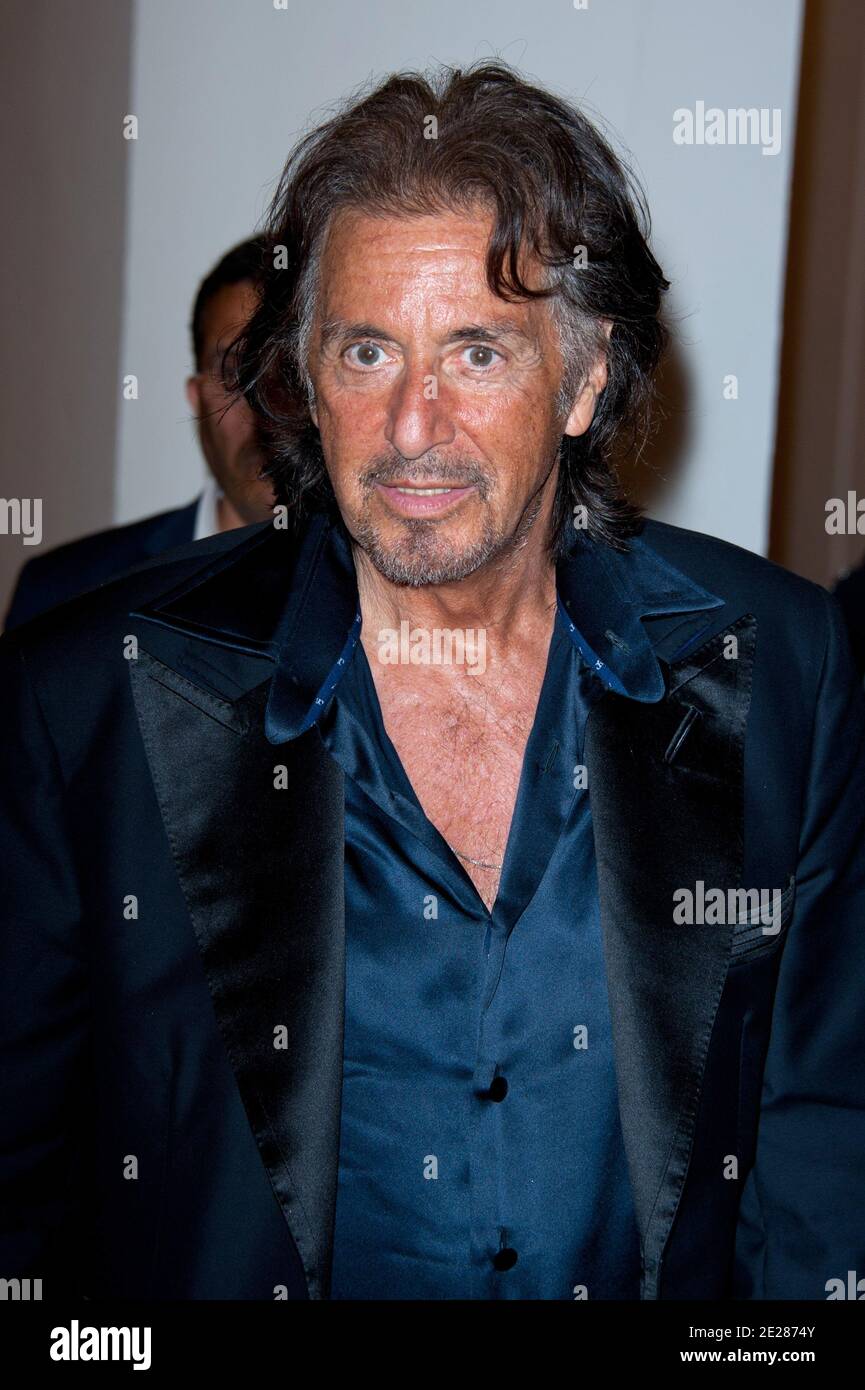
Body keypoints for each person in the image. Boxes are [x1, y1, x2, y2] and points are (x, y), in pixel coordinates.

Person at [1, 61, 864, 1302]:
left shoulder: (782, 668)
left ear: (580, 381)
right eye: (366, 351)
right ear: (304, 379)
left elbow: (819, 1149)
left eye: (475, 351)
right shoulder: (84, 701)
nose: (411, 426)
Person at [3, 237, 274, 630]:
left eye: (289, 370)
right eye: (235, 373)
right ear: (197, 401)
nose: (267, 406)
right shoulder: (65, 598)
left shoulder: (385, 598)